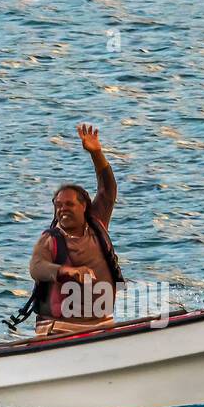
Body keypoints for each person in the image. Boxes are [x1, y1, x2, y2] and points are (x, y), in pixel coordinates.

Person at [24, 124, 124, 335]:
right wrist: (67, 271)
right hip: (60, 329)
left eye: (69, 204)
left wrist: (96, 153)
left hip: (103, 323)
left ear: (84, 205)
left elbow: (107, 189)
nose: (63, 210)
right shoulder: (50, 239)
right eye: (58, 205)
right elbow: (37, 267)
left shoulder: (97, 224)